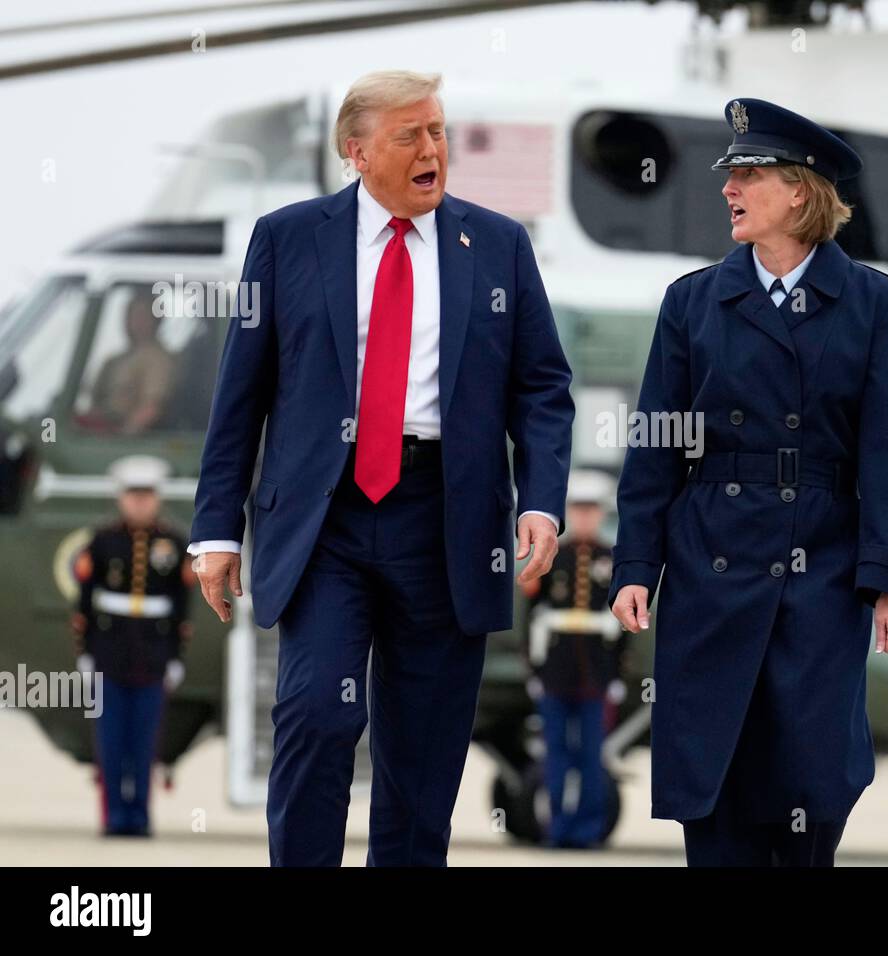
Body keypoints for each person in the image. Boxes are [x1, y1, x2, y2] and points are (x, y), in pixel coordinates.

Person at [188, 70, 574, 867]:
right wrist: (214, 529)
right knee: (316, 716)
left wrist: (541, 501)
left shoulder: (498, 245)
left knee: (422, 756)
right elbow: (242, 393)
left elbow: (542, 387)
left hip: (447, 519)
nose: (434, 149)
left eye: (438, 132)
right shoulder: (287, 238)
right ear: (357, 153)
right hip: (326, 518)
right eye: (412, 136)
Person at [609, 98, 888, 867]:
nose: (729, 189)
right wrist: (635, 565)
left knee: (810, 780)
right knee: (712, 772)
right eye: (730, 175)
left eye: (747, 174)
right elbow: (658, 442)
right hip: (709, 556)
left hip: (821, 567)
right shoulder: (692, 301)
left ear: (799, 191)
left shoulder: (876, 304)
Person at [71, 455, 194, 837]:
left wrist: (174, 658)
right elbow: (84, 603)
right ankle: (113, 817)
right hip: (109, 651)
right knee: (110, 743)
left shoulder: (172, 544)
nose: (140, 502)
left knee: (144, 743)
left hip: (153, 655)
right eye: (133, 495)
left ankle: (139, 816)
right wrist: (86, 651)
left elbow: (180, 609)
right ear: (121, 498)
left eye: (147, 495)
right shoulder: (102, 540)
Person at [522, 469, 626, 848]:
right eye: (578, 509)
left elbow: (623, 624)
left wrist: (617, 676)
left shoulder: (613, 559)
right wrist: (533, 669)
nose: (585, 517)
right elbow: (530, 616)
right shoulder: (554, 557)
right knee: (555, 757)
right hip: (555, 671)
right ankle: (558, 829)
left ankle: (589, 830)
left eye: (591, 510)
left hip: (596, 675)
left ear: (601, 514)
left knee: (592, 758)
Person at [89, 295, 177, 435]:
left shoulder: (157, 359)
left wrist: (122, 435)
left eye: (143, 316)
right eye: (133, 315)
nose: (136, 322)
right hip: (102, 426)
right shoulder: (115, 360)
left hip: (124, 433)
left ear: (156, 320)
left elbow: (151, 407)